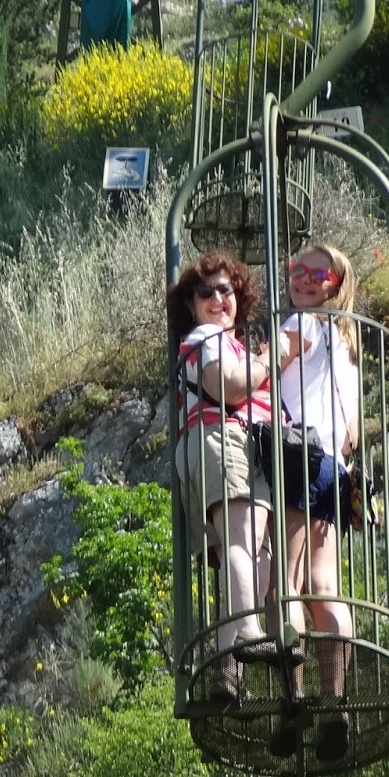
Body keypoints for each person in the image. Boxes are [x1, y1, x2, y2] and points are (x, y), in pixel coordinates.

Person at [167, 252, 277, 704]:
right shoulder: (206, 337)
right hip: (219, 437)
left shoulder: (229, 343)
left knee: (257, 550)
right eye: (206, 291)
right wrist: (272, 360)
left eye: (225, 290)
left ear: (239, 298)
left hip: (233, 443)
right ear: (192, 304)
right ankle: (250, 630)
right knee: (240, 540)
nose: (217, 298)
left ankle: (226, 667)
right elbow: (225, 385)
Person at [276, 242, 360, 762]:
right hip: (334, 467)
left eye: (316, 273)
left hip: (297, 457)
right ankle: (337, 705)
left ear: (335, 286)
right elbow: (351, 432)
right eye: (296, 268)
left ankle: (292, 701)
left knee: (284, 582)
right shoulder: (347, 341)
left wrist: (244, 362)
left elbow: (270, 365)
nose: (303, 278)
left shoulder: (304, 324)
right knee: (324, 588)